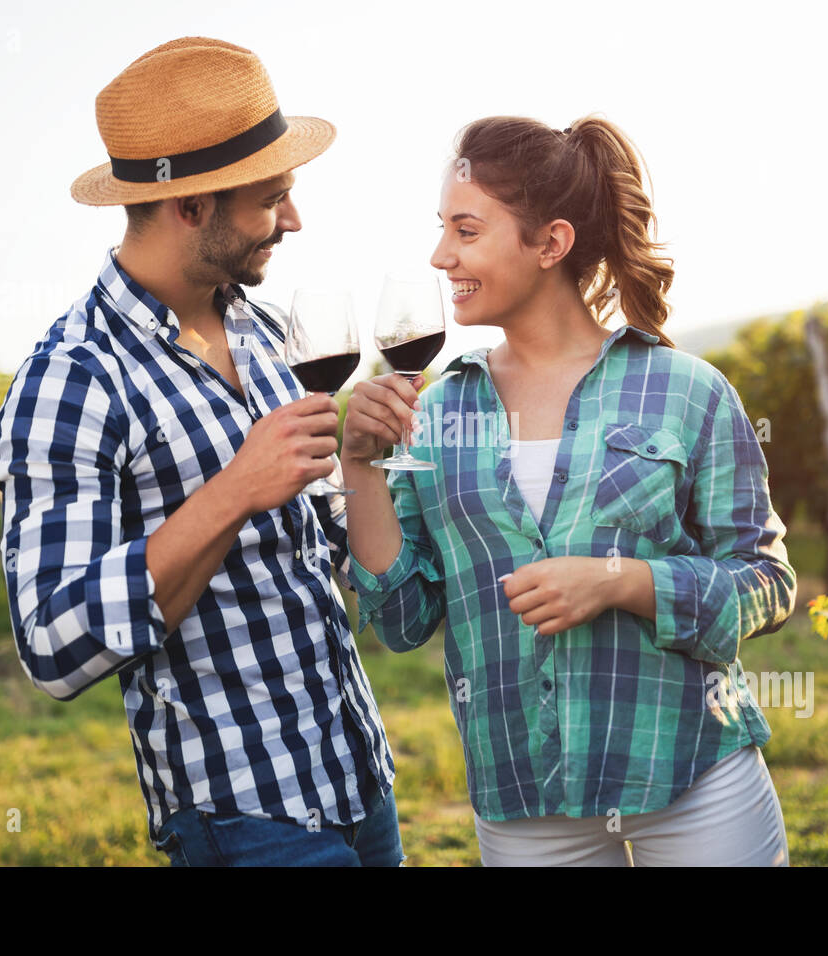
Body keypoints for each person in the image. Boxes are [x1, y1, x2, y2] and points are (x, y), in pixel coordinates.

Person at [340, 115, 796, 866]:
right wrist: (360, 467)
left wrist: (623, 582)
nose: (440, 255)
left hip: (691, 773)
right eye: (442, 229)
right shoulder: (439, 412)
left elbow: (767, 585)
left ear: (550, 244)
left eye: (466, 230)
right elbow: (401, 618)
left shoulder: (686, 391)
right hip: (526, 800)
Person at [0, 36, 402, 866]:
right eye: (271, 199)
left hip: (360, 778)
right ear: (191, 207)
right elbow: (51, 642)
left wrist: (360, 466)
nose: (293, 220)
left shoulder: (266, 329)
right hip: (244, 818)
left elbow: (318, 555)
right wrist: (232, 490)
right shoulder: (71, 379)